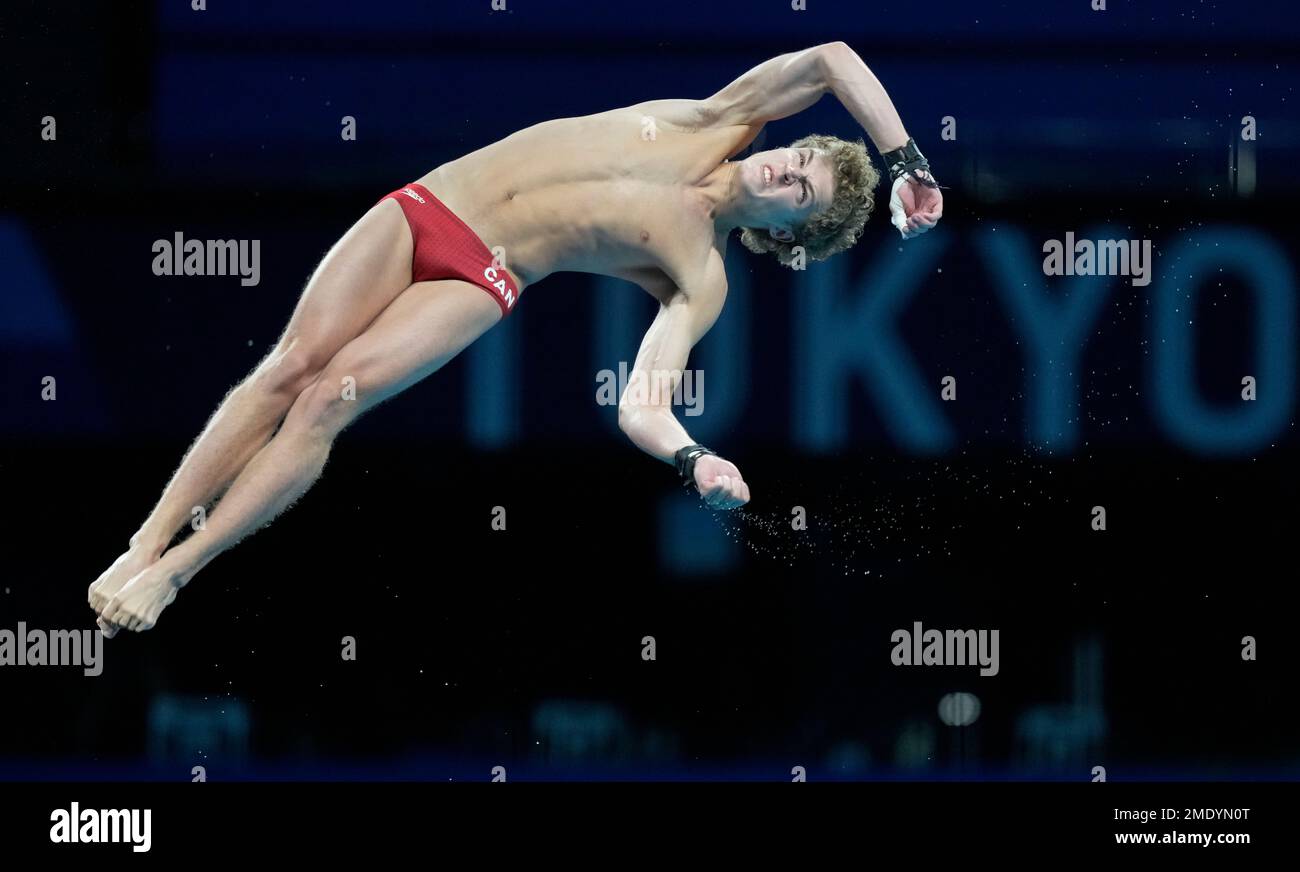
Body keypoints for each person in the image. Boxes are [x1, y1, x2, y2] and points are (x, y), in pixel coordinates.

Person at [88, 41, 943, 635]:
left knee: (326, 400)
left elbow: (642, 403)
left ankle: (178, 570)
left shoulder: (700, 275)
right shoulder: (721, 118)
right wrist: (907, 159)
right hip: (432, 202)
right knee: (289, 368)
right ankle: (145, 541)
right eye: (798, 158)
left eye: (798, 190)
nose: (781, 170)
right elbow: (831, 59)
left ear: (790, 236)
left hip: (484, 276)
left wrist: (691, 457)